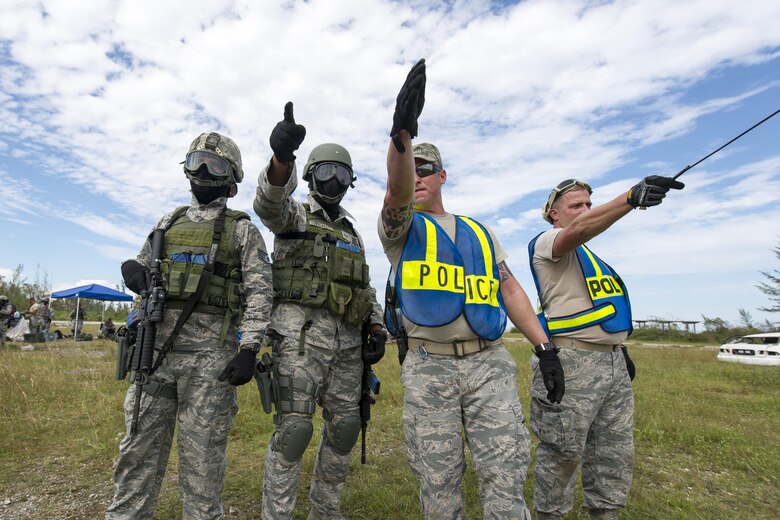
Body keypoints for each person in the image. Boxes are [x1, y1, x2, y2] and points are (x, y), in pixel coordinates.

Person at [379, 59, 565, 520]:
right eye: (413, 168)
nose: (418, 175)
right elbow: (395, 192)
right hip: (430, 369)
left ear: (443, 175)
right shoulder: (400, 229)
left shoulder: (480, 233)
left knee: (505, 476)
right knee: (439, 486)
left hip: (490, 363)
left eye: (428, 168)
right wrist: (400, 137)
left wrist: (545, 348)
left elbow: (511, 290)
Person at [106, 131, 273, 520]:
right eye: (196, 162)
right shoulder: (169, 221)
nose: (202, 172)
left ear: (230, 177)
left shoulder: (242, 230)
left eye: (213, 165)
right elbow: (145, 269)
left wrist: (248, 348)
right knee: (136, 452)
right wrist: (133, 270)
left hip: (210, 363)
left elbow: (261, 293)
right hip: (155, 353)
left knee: (202, 463)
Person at [253, 102, 386, 520]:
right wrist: (281, 159)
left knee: (344, 430)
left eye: (341, 174)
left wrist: (377, 325)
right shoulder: (295, 217)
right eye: (324, 172)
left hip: (348, 347)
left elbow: (362, 285)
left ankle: (325, 512)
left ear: (350, 182)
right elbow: (269, 204)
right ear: (309, 176)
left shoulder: (352, 233)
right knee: (293, 433)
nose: (332, 181)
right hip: (299, 342)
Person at [527, 175, 684, 519]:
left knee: (613, 453)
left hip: (611, 365)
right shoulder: (547, 243)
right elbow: (577, 232)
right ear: (554, 214)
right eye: (575, 206)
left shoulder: (590, 257)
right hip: (571, 361)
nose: (584, 211)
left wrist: (618, 348)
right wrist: (630, 198)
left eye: (588, 205)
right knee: (563, 454)